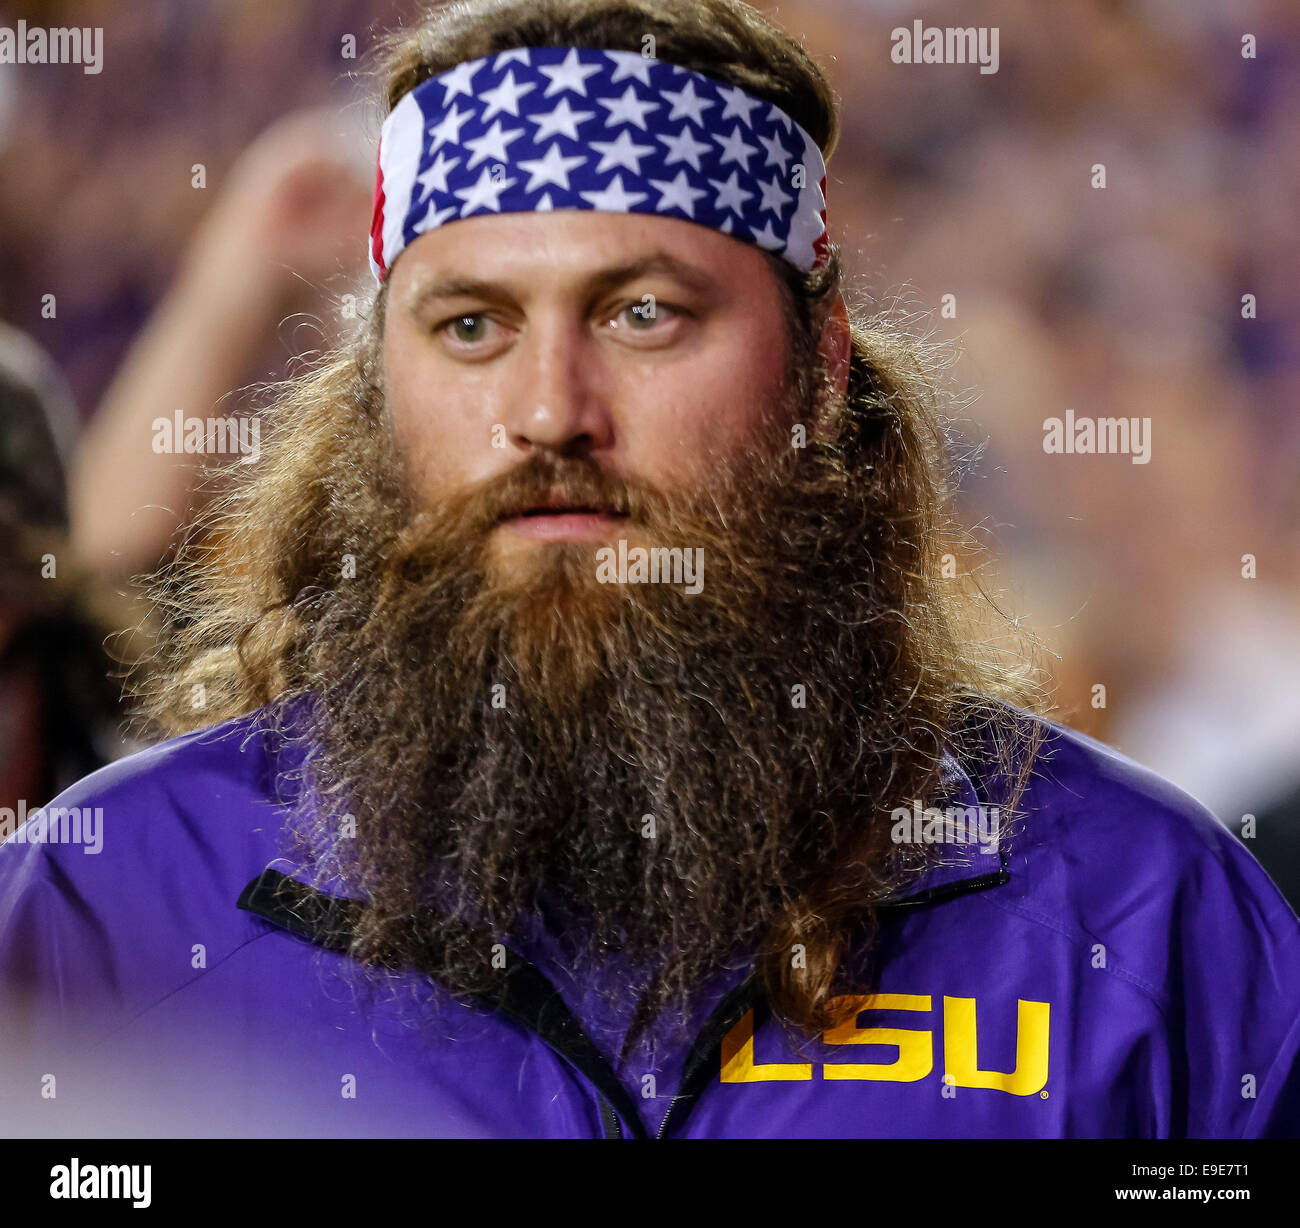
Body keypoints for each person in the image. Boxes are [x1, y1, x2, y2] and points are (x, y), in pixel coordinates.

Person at [1, 0, 1296, 1139]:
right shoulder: (100, 911)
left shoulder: (1141, 922)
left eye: (644, 314)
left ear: (822, 363)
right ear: (375, 394)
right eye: (470, 326)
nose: (551, 410)